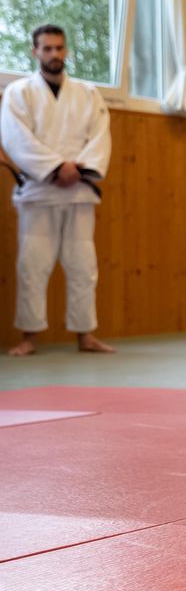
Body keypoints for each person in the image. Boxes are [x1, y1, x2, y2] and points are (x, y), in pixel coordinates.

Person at [2, 24, 113, 357]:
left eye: (59, 48)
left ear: (66, 51)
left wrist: (78, 169)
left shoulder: (88, 93)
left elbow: (100, 135)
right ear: (34, 51)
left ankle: (85, 335)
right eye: (47, 48)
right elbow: (16, 138)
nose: (54, 54)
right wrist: (54, 168)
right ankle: (29, 337)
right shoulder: (18, 93)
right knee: (32, 266)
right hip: (39, 192)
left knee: (83, 265)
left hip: (78, 190)